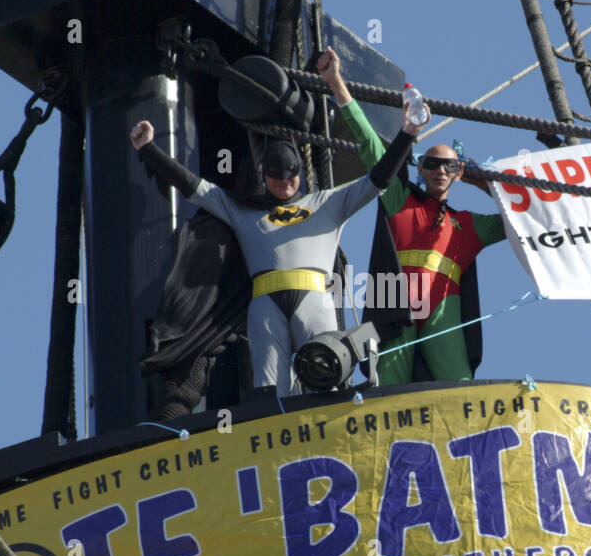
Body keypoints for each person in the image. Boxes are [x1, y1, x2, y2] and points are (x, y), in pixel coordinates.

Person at [130, 113, 421, 396]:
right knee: (270, 390)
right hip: (265, 305)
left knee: (325, 377)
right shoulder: (242, 209)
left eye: (290, 176)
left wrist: (407, 132)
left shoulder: (328, 202)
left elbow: (378, 179)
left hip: (314, 299)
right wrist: (149, 148)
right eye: (276, 178)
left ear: (298, 171)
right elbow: (191, 185)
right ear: (264, 174)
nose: (284, 184)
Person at [317, 47, 506, 386]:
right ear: (420, 167)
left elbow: (522, 218)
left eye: (449, 166)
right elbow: (368, 144)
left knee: (459, 389)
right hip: (395, 303)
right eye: (431, 164)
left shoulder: (469, 225)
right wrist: (336, 83)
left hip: (444, 307)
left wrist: (485, 184)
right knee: (387, 392)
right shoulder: (400, 199)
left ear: (458, 172)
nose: (440, 171)